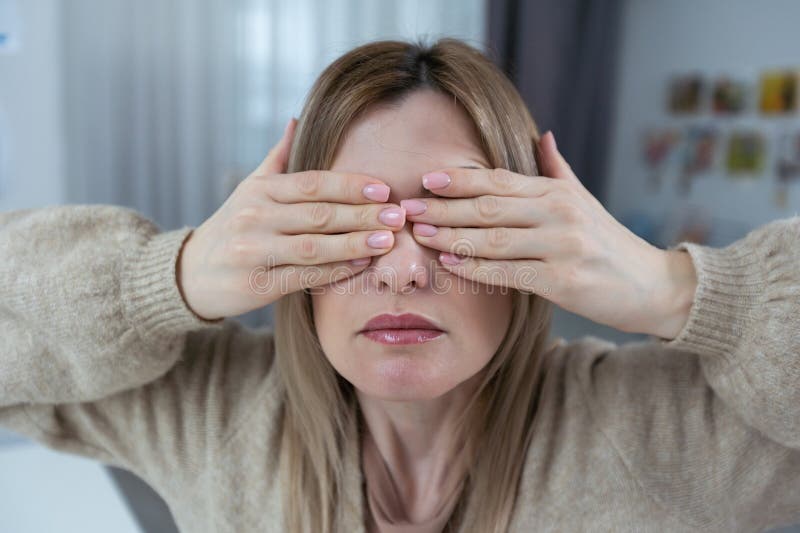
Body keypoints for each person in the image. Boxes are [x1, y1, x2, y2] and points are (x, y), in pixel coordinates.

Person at [1, 37, 799, 533]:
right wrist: (162, 279)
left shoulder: (665, 438)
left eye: (456, 218)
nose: (403, 267)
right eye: (349, 222)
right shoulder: (208, 415)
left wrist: (683, 291)